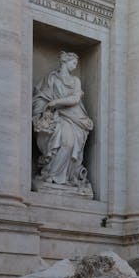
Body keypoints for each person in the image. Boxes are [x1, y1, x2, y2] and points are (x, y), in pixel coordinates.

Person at [32, 51, 94, 189]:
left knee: (70, 143)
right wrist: (43, 110)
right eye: (73, 63)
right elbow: (41, 96)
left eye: (77, 64)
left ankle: (64, 177)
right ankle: (52, 175)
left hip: (75, 117)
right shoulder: (51, 78)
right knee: (65, 142)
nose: (75, 66)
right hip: (57, 116)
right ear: (64, 62)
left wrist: (55, 102)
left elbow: (75, 99)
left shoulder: (75, 80)